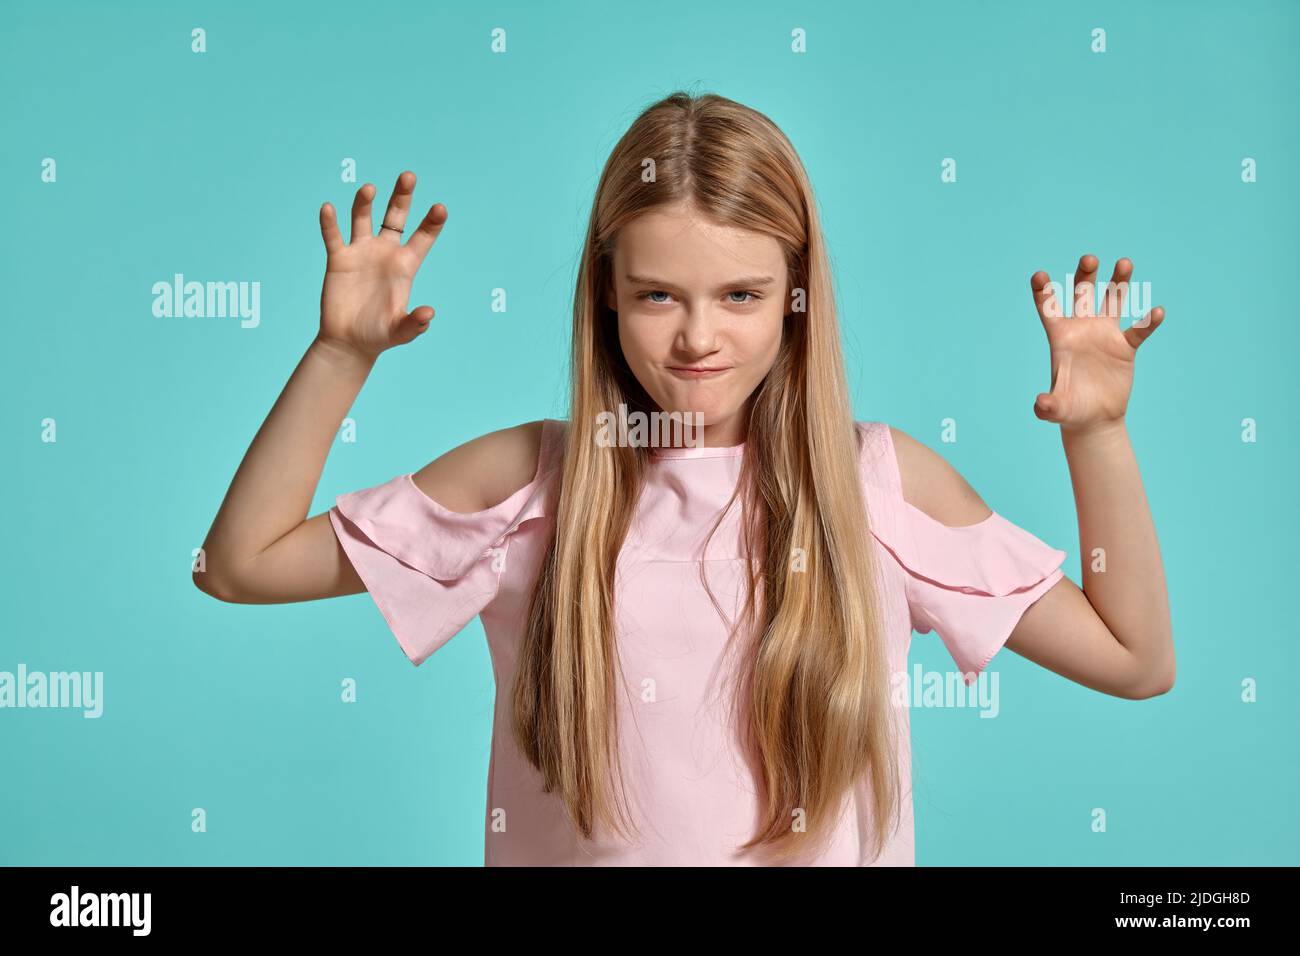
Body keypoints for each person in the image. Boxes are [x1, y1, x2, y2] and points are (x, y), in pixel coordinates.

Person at [192, 91, 1174, 866]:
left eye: (740, 295)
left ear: (793, 298)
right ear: (606, 296)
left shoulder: (876, 484)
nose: (699, 337)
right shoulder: (530, 482)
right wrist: (338, 357)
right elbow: (238, 564)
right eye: (657, 294)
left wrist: (1096, 433)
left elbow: (1133, 658)